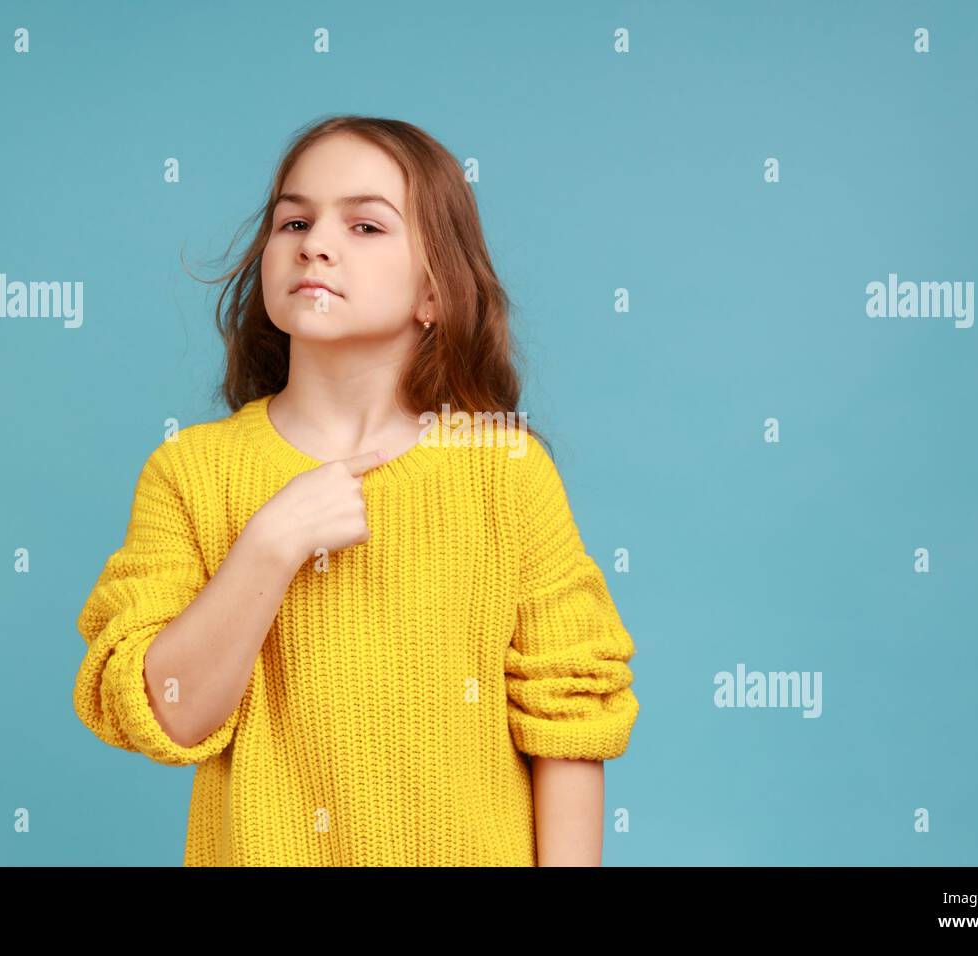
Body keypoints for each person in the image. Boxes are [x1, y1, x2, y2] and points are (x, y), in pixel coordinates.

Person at [71, 115, 639, 866]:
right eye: (294, 220)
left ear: (434, 291)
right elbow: (167, 717)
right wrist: (270, 546)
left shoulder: (505, 471)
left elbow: (569, 721)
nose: (315, 242)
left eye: (366, 225)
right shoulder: (190, 471)